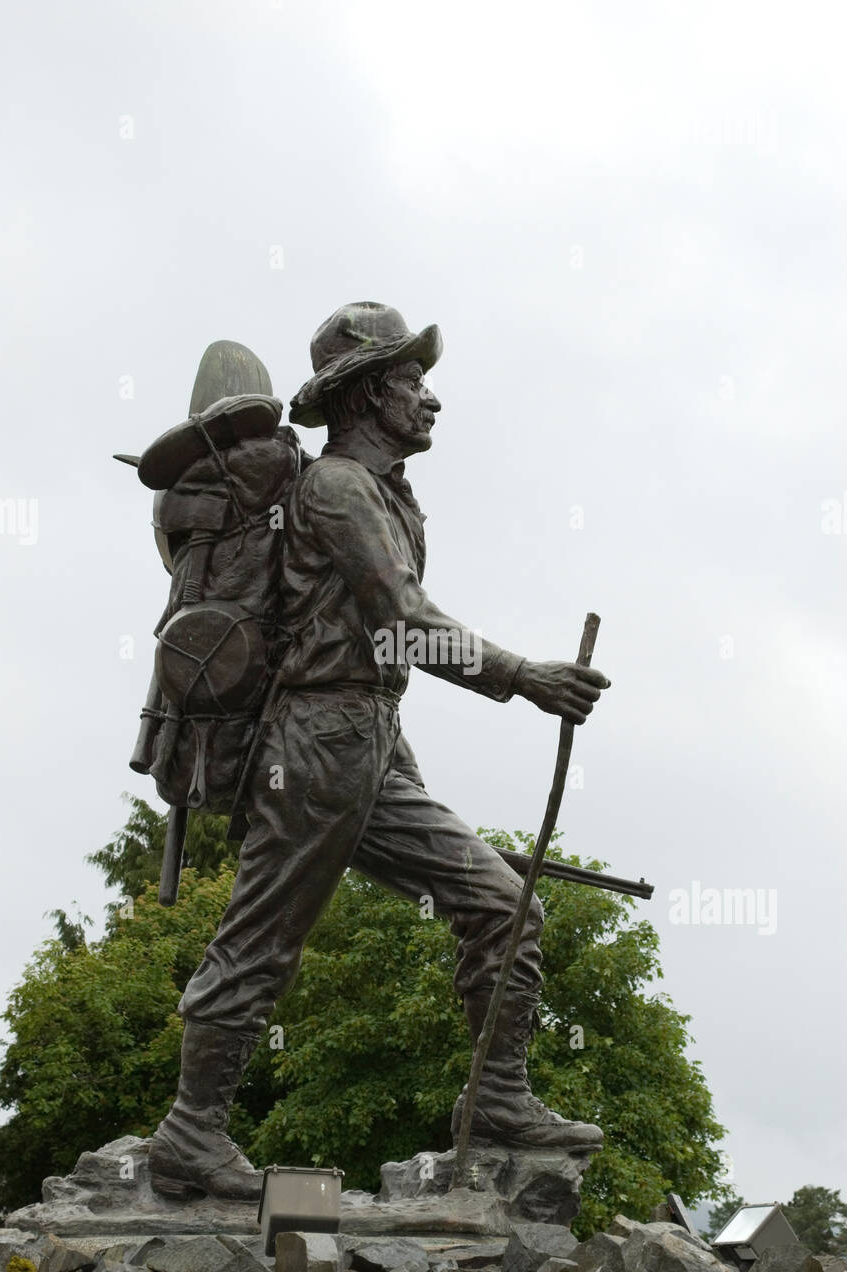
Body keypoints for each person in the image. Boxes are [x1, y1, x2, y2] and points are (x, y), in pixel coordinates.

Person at [149, 302, 611, 1202]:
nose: (429, 400)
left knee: (502, 907)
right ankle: (188, 1136)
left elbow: (384, 648)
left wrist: (400, 773)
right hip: (316, 743)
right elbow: (402, 622)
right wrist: (524, 676)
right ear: (366, 394)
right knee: (263, 941)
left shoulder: (387, 492)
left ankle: (498, 1103)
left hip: (365, 736)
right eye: (412, 382)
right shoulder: (337, 490)